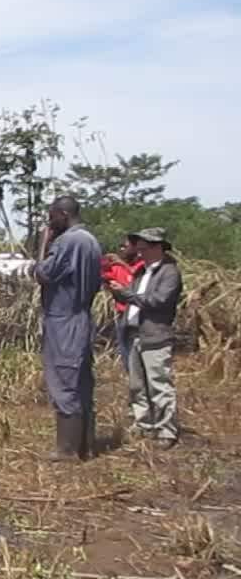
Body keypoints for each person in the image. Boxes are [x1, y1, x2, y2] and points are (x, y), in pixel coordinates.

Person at [31, 196, 102, 462]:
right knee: (82, 380)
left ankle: (67, 449)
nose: (50, 222)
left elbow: (43, 274)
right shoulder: (91, 241)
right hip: (82, 315)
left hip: (63, 318)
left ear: (62, 214)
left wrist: (43, 244)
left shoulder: (67, 241)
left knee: (63, 380)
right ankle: (87, 445)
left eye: (52, 217)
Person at [105, 228, 183, 449]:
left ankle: (166, 431)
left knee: (159, 384)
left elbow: (159, 301)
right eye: (139, 246)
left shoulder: (169, 272)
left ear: (158, 247)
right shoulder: (142, 272)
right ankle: (145, 425)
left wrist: (127, 293)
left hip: (155, 336)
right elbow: (134, 297)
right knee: (137, 385)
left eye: (144, 246)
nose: (139, 250)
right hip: (134, 333)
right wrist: (117, 290)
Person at [100, 237, 144, 371]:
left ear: (136, 249)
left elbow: (134, 275)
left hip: (139, 317)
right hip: (122, 315)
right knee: (126, 354)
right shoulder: (117, 268)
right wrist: (105, 262)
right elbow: (102, 274)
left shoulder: (142, 265)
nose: (121, 250)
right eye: (120, 247)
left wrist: (121, 263)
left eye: (125, 247)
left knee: (139, 356)